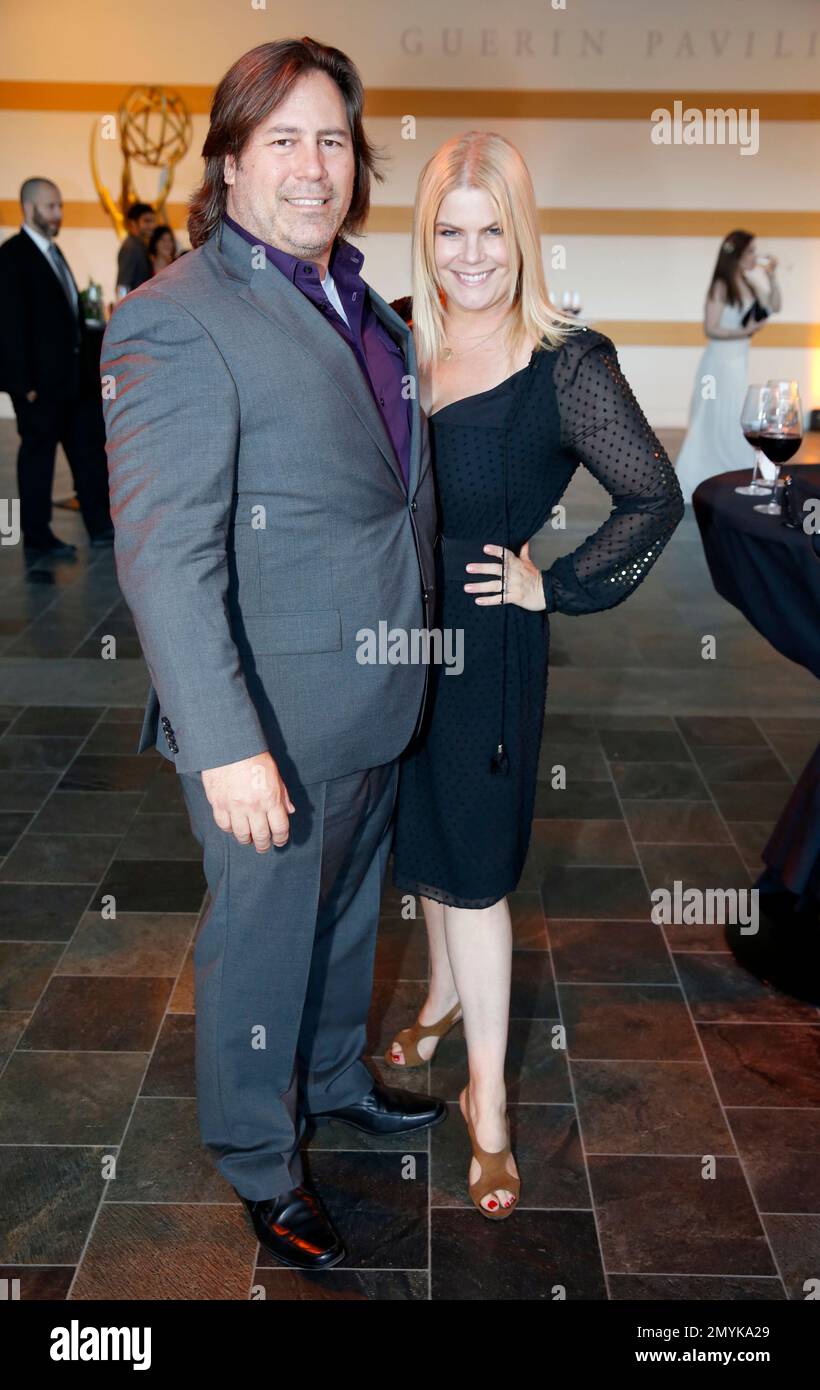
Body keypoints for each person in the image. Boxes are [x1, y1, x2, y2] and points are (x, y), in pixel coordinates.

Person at [100, 37, 443, 1272]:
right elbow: (166, 556)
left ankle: (336, 1075)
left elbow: (390, 492)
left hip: (370, 694)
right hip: (269, 716)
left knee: (348, 915)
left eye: (334, 140)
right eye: (284, 140)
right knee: (262, 939)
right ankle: (258, 1151)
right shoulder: (174, 320)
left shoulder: (363, 303)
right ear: (232, 163)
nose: (314, 166)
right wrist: (228, 741)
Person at [386, 131, 685, 1219]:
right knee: (423, 840)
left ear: (523, 236)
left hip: (482, 644)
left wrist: (552, 587)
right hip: (393, 643)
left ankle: (489, 1109)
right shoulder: (392, 337)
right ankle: (436, 998)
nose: (470, 256)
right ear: (425, 238)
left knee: (477, 870)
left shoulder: (564, 363)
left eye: (492, 232)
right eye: (448, 232)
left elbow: (654, 497)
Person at [0, 177, 114, 553]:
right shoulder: (12, 256)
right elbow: (8, 325)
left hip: (72, 383)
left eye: (60, 206)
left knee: (88, 454)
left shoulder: (54, 252)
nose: (59, 213)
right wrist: (22, 385)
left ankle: (99, 526)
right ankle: (37, 537)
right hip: (39, 388)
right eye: (51, 206)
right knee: (38, 461)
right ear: (29, 208)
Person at [674, 231, 781, 503]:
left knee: (735, 418)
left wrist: (771, 276)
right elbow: (710, 328)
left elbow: (775, 306)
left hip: (738, 361)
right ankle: (702, 476)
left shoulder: (750, 283)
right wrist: (745, 331)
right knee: (715, 419)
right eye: (749, 252)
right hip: (719, 363)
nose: (754, 258)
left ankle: (732, 472)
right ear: (735, 255)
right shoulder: (721, 286)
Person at [115, 201, 155, 296]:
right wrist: (124, 309)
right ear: (133, 223)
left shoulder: (141, 246)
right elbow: (123, 285)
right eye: (146, 221)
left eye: (153, 221)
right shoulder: (130, 248)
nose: (151, 226)